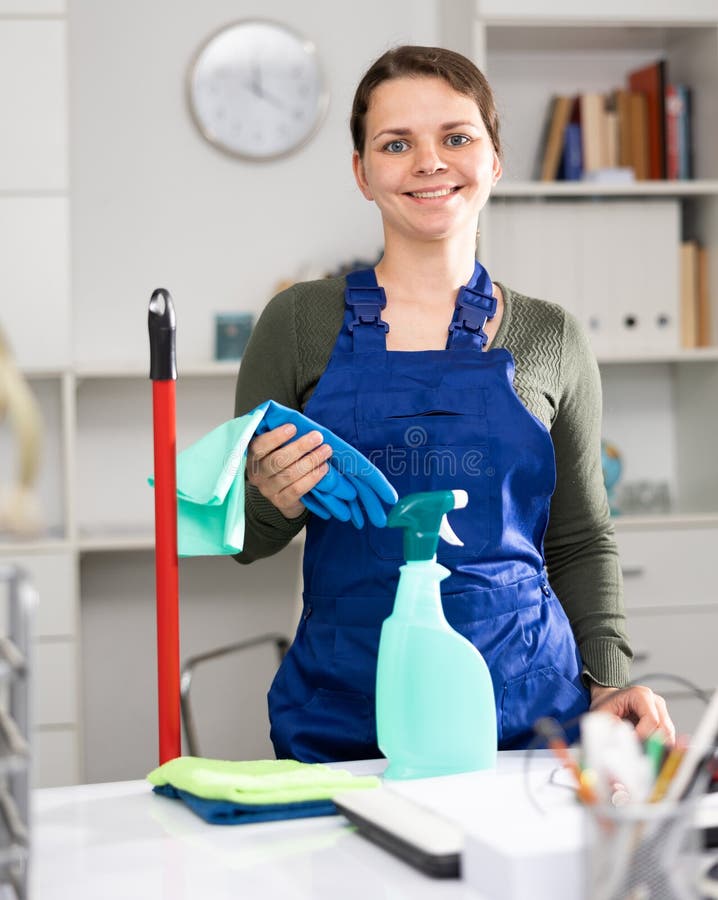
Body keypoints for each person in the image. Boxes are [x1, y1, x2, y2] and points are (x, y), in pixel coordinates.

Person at [233, 45, 674, 762]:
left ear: (494, 160)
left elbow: (581, 538)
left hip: (527, 717)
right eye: (396, 144)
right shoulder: (297, 325)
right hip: (346, 719)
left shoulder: (552, 336)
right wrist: (272, 496)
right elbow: (247, 540)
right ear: (362, 172)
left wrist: (607, 682)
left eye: (457, 137)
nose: (429, 162)